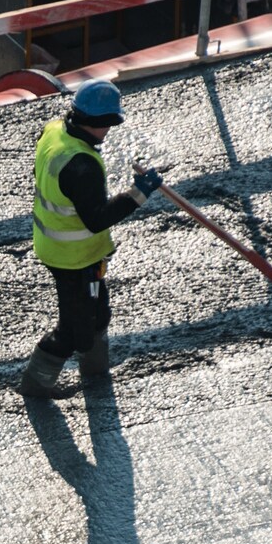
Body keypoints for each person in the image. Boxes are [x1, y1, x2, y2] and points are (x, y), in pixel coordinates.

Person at [19, 82, 167, 400]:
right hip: (72, 259)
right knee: (73, 331)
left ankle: (96, 372)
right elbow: (97, 218)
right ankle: (36, 385)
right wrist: (139, 193)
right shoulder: (82, 166)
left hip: (71, 251)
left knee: (98, 311)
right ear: (105, 123)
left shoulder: (54, 130)